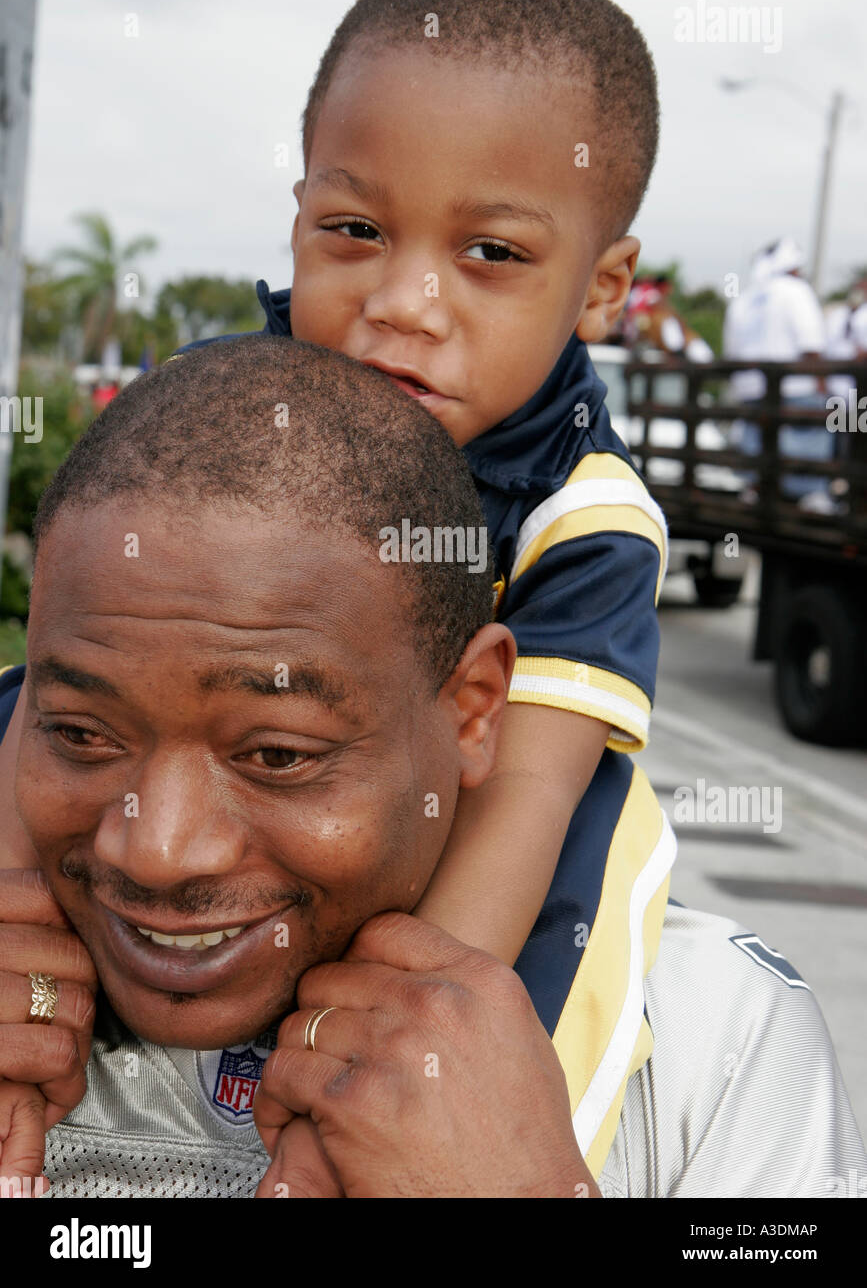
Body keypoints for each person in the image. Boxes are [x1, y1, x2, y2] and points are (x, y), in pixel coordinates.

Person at [3, 0, 674, 1152]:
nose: (404, 300)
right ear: (299, 217)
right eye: (355, 230)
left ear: (602, 288)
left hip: (491, 850)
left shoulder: (585, 511)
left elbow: (525, 788)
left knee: (557, 936)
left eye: (492, 255)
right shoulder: (222, 398)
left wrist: (380, 1060)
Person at [0, 337, 863, 1198]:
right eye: (80, 735)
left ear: (474, 709)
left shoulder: (716, 1042)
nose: (155, 851)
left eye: (276, 755)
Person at [723, 238, 829, 502]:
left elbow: (731, 353)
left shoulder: (744, 298)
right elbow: (812, 345)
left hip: (750, 394)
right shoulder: (796, 290)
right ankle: (810, 493)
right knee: (825, 413)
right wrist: (822, 385)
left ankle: (755, 489)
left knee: (758, 436)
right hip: (793, 391)